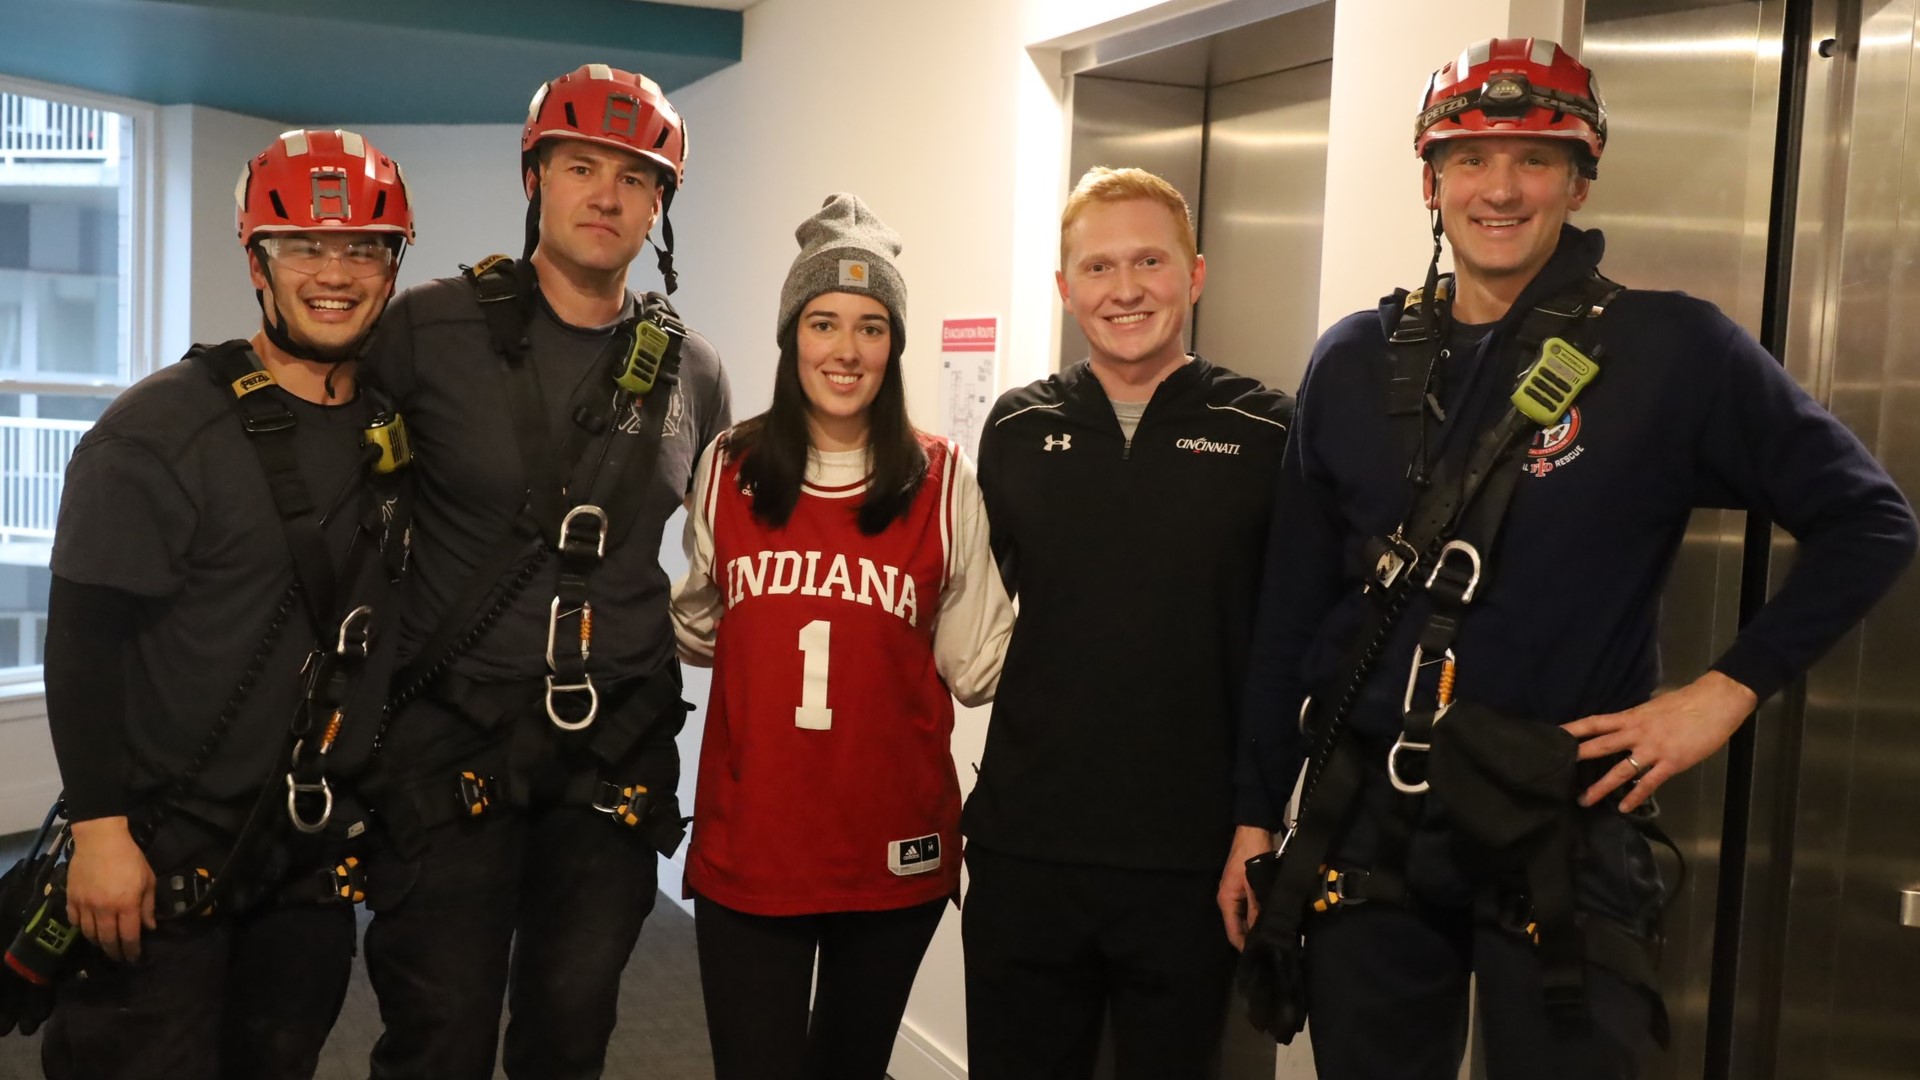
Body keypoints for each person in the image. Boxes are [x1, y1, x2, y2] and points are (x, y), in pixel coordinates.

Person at [1224, 38, 1919, 1079]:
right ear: (1430, 179)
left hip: (1559, 821)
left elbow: (1871, 520)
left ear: (1580, 178)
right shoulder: (1355, 361)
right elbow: (1292, 606)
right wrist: (1251, 812)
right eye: (1468, 157)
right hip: (1364, 824)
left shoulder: (1672, 351)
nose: (1499, 188)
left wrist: (1726, 693)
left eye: (1535, 158)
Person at [356, 63, 731, 1080]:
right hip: (448, 736)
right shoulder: (424, 330)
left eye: (634, 177)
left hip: (611, 746)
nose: (606, 195)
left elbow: (716, 542)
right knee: (442, 1029)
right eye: (581, 166)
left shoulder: (693, 367)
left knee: (573, 1028)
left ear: (660, 204)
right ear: (537, 179)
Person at [37, 128, 416, 1079]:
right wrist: (98, 835)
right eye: (305, 247)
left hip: (304, 864)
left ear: (392, 266)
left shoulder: (388, 428)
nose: (337, 271)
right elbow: (81, 643)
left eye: (364, 247)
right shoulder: (159, 430)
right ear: (258, 261)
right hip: (158, 859)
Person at [671, 193, 1014, 1080]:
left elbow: (979, 668)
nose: (846, 350)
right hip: (753, 846)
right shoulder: (730, 469)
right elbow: (700, 627)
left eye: (871, 326)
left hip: (892, 850)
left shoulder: (941, 478)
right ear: (792, 338)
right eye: (823, 323)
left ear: (894, 344)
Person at [960, 166, 1294, 1078]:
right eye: (1098, 269)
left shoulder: (1265, 432)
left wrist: (1257, 824)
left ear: (1194, 273)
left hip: (1190, 860)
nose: (1126, 289)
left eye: (1150, 260)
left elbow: (1284, 649)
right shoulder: (1019, 427)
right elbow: (976, 622)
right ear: (1066, 291)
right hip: (1027, 849)